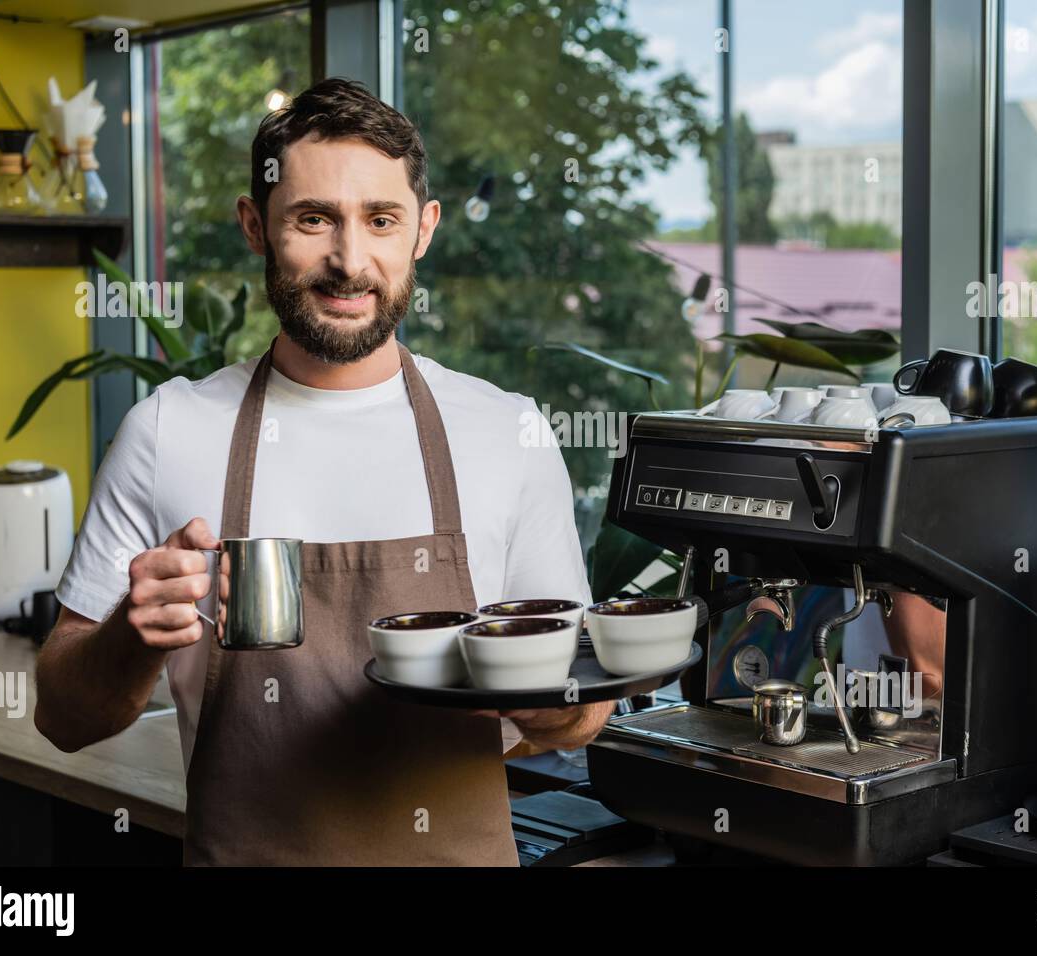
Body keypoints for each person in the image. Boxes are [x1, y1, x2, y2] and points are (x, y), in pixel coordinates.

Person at [34, 77, 614, 865]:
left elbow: (581, 715)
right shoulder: (168, 430)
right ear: (256, 225)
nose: (349, 260)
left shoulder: (505, 430)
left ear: (423, 230)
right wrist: (129, 640)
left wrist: (544, 700)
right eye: (314, 219)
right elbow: (64, 720)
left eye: (381, 220)